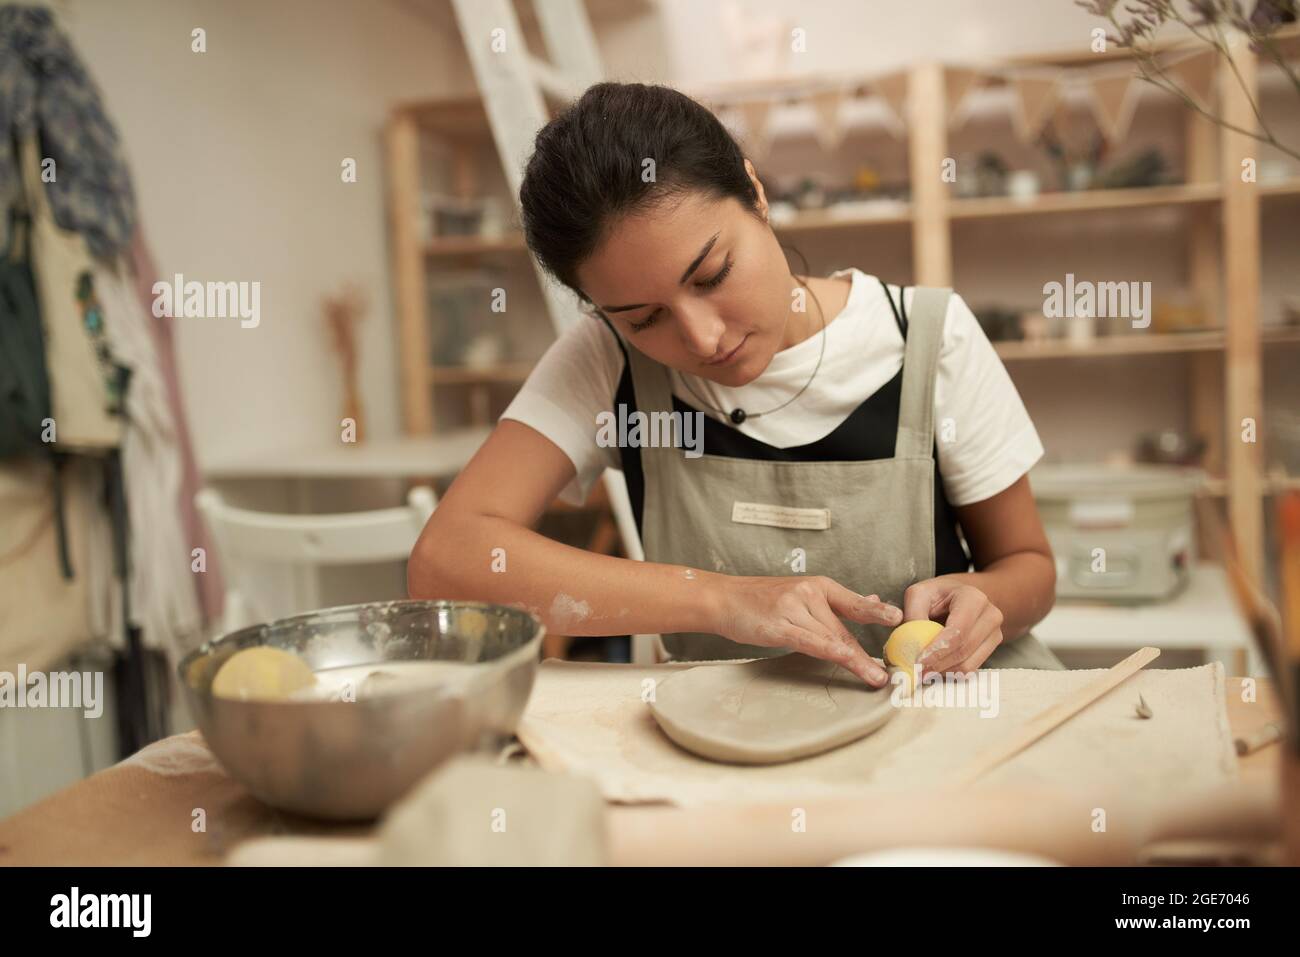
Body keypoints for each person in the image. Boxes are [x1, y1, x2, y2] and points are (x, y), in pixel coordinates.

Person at [408, 82, 1064, 687]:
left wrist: (989, 602)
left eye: (712, 273)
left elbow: (1029, 564)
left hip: (941, 723)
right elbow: (446, 560)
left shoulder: (925, 335)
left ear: (754, 193)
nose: (702, 338)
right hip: (732, 750)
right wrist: (722, 599)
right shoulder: (607, 360)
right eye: (645, 317)